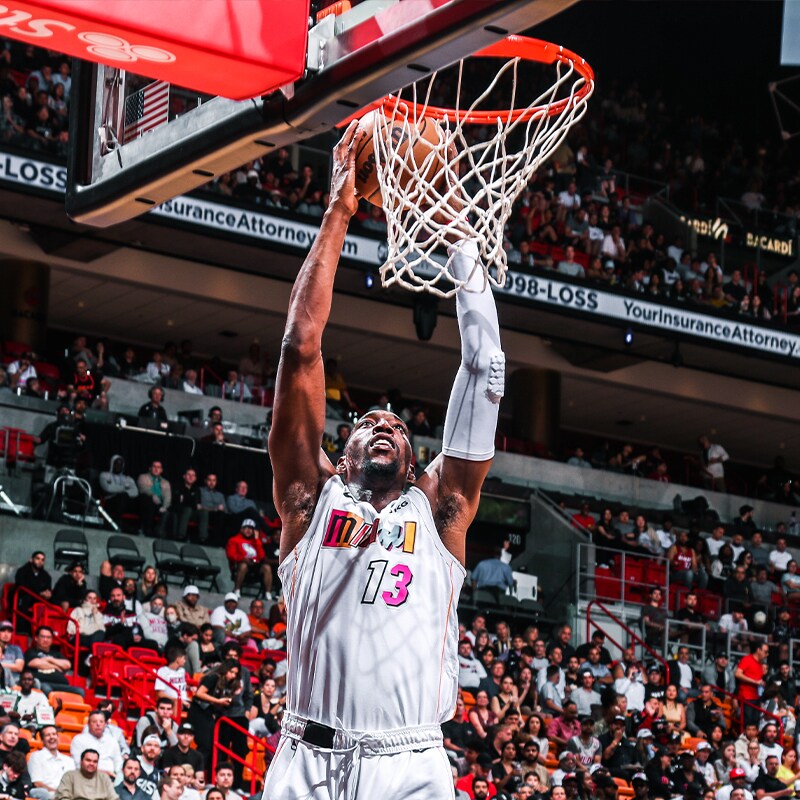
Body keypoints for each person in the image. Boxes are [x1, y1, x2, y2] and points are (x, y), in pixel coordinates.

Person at [264, 122, 504, 799]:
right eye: (367, 420)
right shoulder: (310, 504)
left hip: (410, 764)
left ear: (413, 461)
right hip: (305, 755)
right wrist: (340, 208)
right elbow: (299, 347)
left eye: (397, 426)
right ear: (338, 458)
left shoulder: (441, 511)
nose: (383, 425)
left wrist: (455, 224)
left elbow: (485, 367)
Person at [224, 520, 273, 600]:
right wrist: (242, 558)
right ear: (241, 529)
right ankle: (237, 590)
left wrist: (257, 540)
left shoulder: (256, 541)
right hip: (239, 565)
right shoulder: (234, 540)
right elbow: (230, 555)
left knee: (267, 567)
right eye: (246, 528)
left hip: (254, 565)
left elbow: (261, 557)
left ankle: (268, 593)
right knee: (243, 566)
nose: (248, 530)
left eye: (251, 528)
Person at [69, 711, 123, 779]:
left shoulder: (112, 741)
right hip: (86, 777)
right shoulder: (79, 740)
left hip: (111, 779)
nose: (98, 724)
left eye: (101, 722)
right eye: (94, 721)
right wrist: (103, 773)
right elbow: (77, 765)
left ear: (105, 724)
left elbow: (118, 764)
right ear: (88, 724)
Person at [27, 725, 75, 800]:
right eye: (47, 735)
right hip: (48, 794)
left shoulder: (69, 760)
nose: (52, 737)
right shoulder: (36, 757)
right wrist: (59, 793)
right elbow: (37, 784)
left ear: (58, 738)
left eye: (54, 734)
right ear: (42, 741)